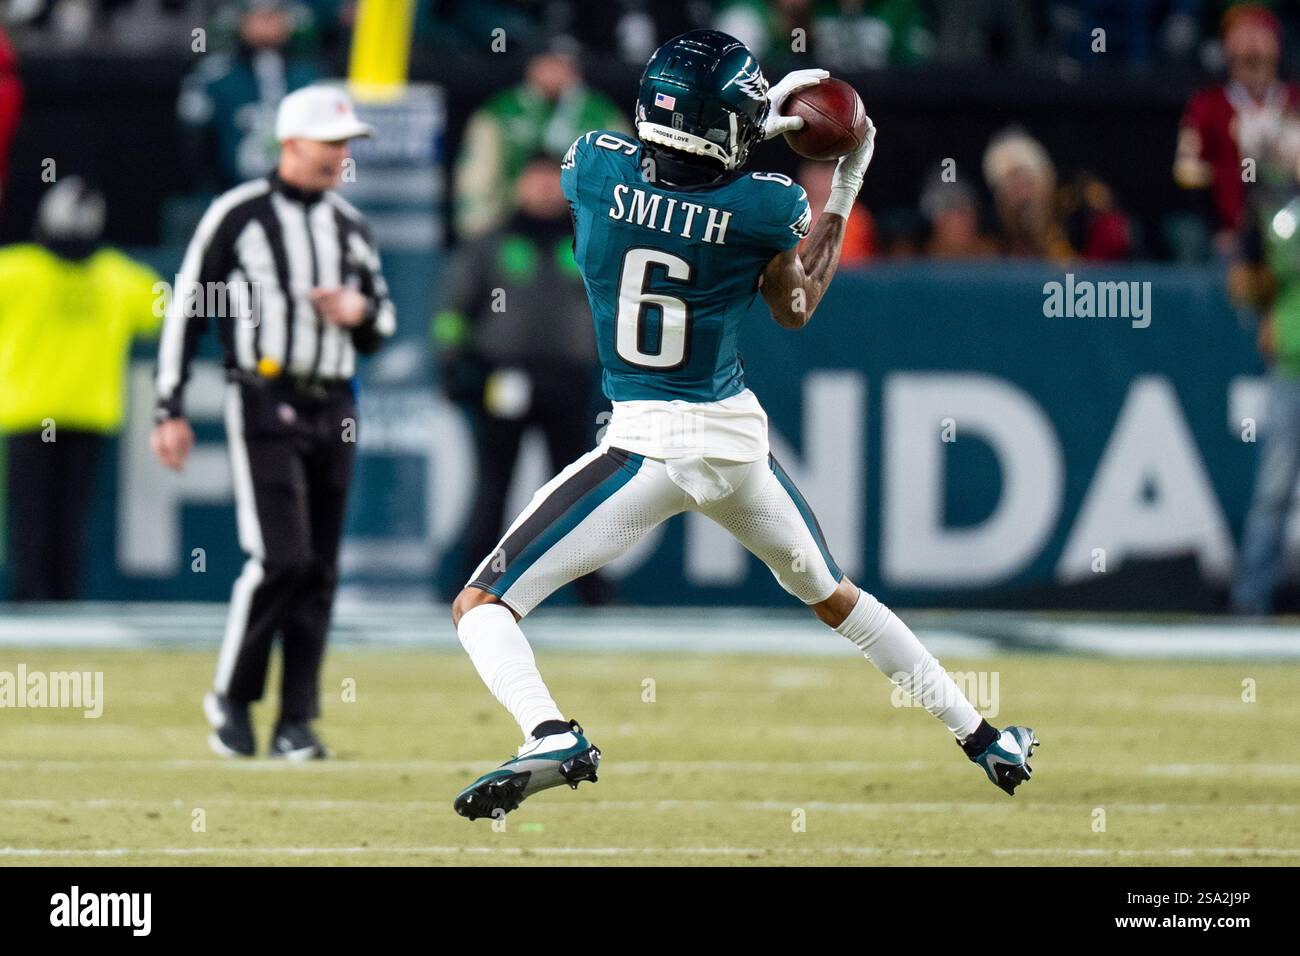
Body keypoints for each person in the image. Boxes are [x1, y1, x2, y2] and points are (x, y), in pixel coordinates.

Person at [447, 30, 1038, 820]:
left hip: (643, 448)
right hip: (733, 445)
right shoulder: (767, 206)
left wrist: (741, 120)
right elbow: (797, 308)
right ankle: (983, 736)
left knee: (482, 604)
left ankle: (550, 731)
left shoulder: (591, 167)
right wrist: (846, 173)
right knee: (837, 597)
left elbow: (665, 161)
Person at [151, 84, 395, 759]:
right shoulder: (238, 214)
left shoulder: (350, 224)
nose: (340, 157)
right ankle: (232, 696)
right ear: (291, 144)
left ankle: (297, 720)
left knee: (318, 566)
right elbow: (187, 310)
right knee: (281, 557)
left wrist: (358, 314)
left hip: (336, 400)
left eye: (347, 146)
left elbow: (384, 320)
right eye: (330, 144)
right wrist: (168, 406)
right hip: (264, 395)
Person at [435, 155, 611, 605]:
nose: (545, 191)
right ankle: (475, 583)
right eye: (536, 181)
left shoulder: (587, 243)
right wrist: (452, 363)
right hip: (505, 380)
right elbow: (456, 307)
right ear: (517, 186)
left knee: (576, 492)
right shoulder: (490, 244)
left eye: (553, 183)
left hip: (569, 381)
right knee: (493, 485)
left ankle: (590, 588)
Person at [0, 177, 162, 600]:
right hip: (87, 412)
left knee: (33, 519)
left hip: (31, 412)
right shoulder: (116, 275)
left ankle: (36, 602)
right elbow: (162, 309)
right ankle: (60, 603)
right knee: (69, 520)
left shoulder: (16, 271)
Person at [453, 40, 627, 240]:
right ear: (531, 64)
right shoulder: (500, 113)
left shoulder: (602, 116)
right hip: (508, 226)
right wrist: (476, 235)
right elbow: (475, 181)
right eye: (546, 61)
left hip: (582, 228)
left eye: (561, 62)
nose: (553, 70)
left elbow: (622, 182)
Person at [1175, 4, 1300, 254]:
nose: (1252, 46)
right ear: (1226, 48)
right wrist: (1222, 226)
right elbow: (1187, 171)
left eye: (1260, 35)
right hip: (1229, 229)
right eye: (1242, 36)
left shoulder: (1294, 100)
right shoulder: (1207, 105)